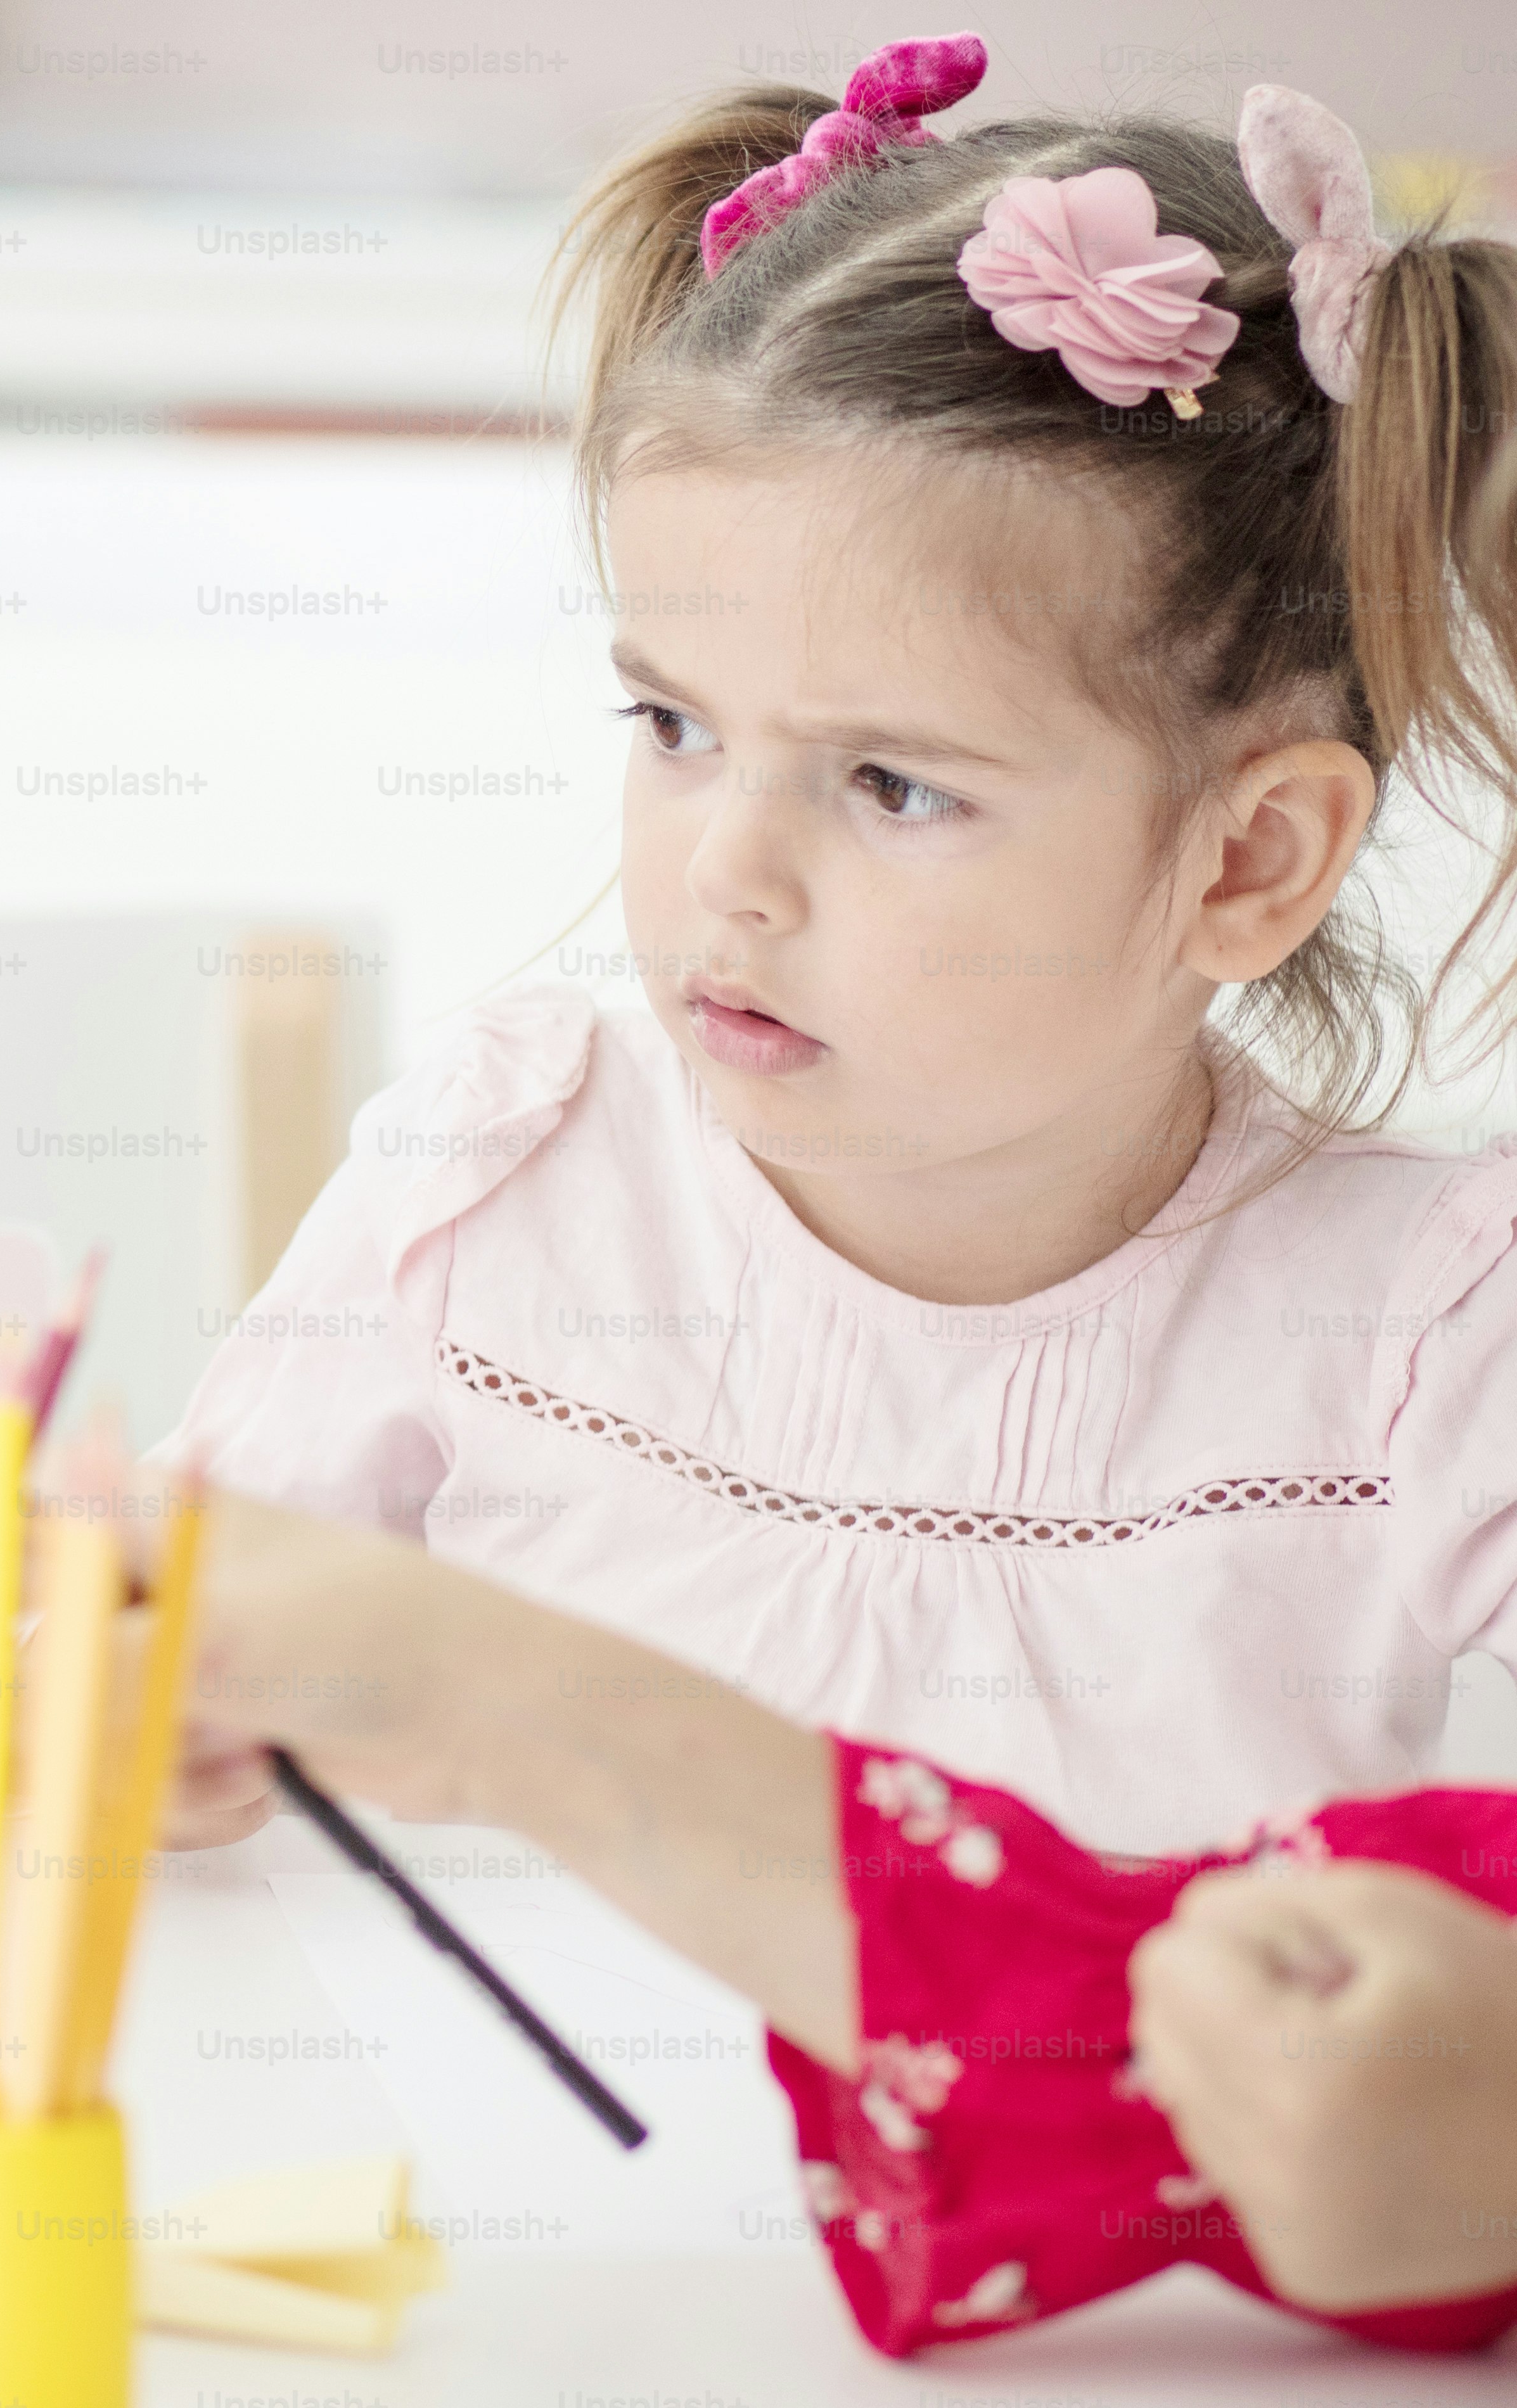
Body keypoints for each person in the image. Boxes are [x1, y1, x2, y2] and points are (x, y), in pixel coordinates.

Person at [167, 38, 1517, 1859]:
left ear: (1249, 858)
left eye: (894, 784)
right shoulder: (500, 1181)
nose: (728, 874)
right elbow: (134, 1648)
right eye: (673, 726)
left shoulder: (1424, 1337)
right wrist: (135, 1719)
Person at [186, 1486, 1517, 2354]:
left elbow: (1267, 2034)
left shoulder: (1445, 1294)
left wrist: (493, 1706)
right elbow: (183, 1639)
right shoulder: (465, 1203)